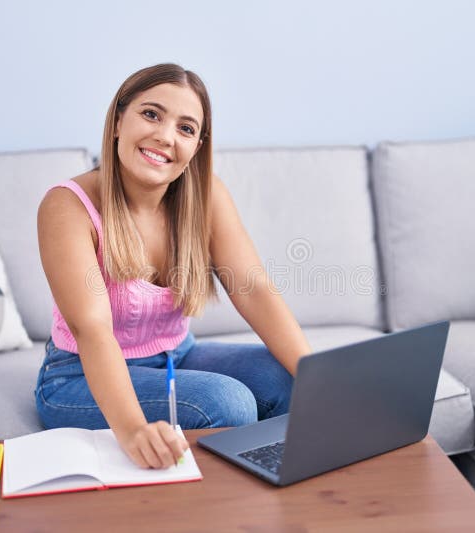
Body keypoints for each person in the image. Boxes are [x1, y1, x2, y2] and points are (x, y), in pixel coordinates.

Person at [35, 63, 312, 471]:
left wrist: (320, 379)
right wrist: (133, 429)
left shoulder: (206, 196)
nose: (165, 137)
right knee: (228, 403)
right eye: (151, 114)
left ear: (197, 146)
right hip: (77, 376)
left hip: (176, 355)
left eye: (185, 128)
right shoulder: (67, 205)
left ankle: (279, 485)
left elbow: (252, 289)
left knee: (289, 378)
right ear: (118, 121)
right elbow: (92, 328)